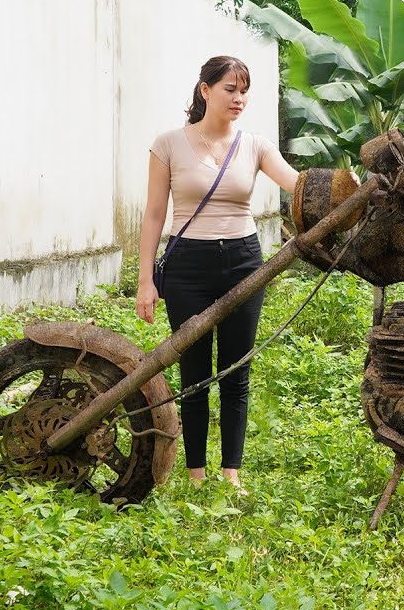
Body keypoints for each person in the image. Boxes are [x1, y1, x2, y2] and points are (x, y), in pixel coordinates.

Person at [136, 56, 299, 493]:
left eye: (244, 91)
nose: (239, 99)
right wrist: (146, 280)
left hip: (243, 262)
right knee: (193, 371)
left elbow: (297, 184)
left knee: (235, 370)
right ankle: (195, 475)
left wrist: (348, 186)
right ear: (205, 90)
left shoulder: (256, 145)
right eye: (230, 89)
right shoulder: (168, 144)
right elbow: (153, 216)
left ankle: (230, 475)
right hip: (187, 264)